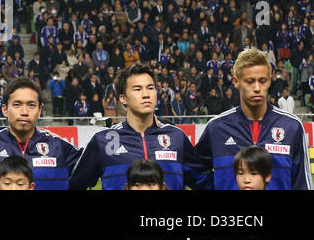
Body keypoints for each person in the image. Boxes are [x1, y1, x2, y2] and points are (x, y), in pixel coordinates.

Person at [70, 63, 208, 190]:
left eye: (150, 88)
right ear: (123, 98)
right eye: (137, 89)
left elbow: (206, 183)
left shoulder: (177, 137)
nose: (146, 94)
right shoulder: (102, 140)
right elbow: (75, 185)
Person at [195, 47, 311, 190]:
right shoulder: (217, 127)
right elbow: (194, 171)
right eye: (250, 81)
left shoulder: (292, 126)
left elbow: (302, 184)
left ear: (269, 80)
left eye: (262, 81)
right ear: (236, 82)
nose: (257, 88)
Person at [0, 78, 80, 190]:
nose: (24, 111)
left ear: (39, 110)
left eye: (31, 105)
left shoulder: (59, 149)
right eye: (17, 104)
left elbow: (93, 169)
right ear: (5, 110)